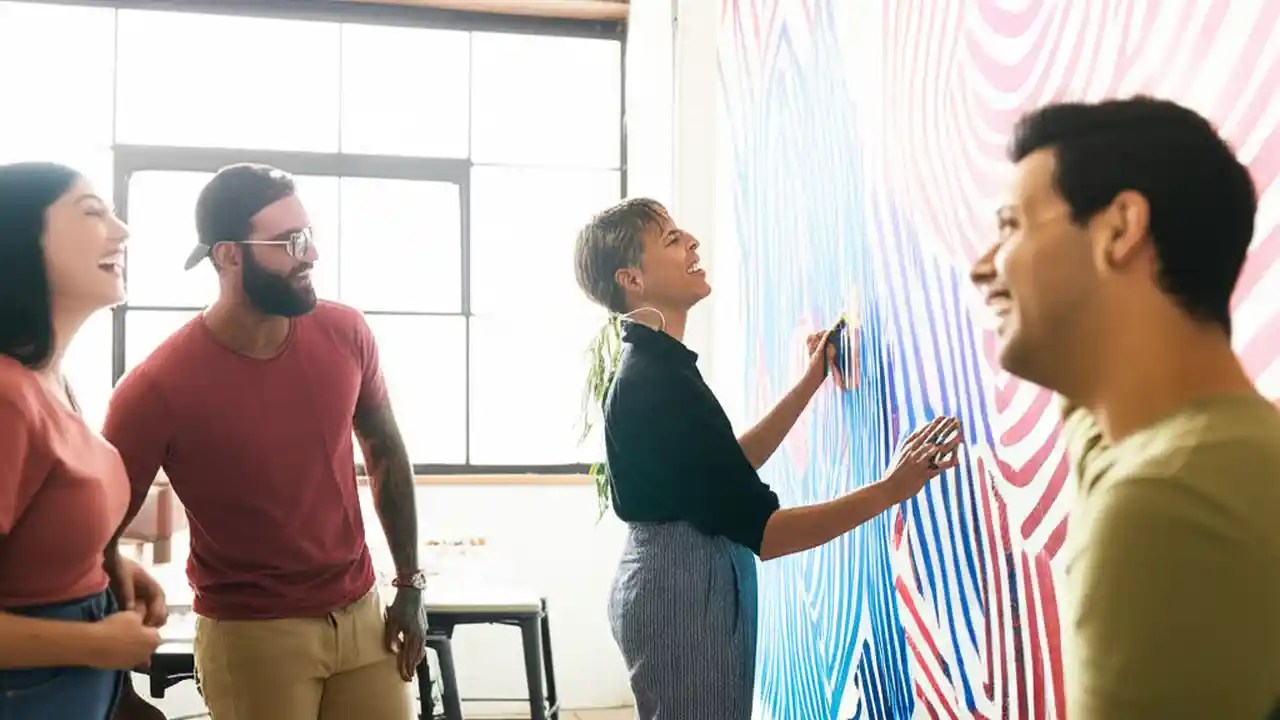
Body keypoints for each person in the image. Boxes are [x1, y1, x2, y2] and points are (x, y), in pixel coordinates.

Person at [573, 198, 963, 719]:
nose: (691, 241)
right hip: (681, 594)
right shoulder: (655, 382)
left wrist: (810, 383)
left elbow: (725, 471)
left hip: (679, 583)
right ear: (632, 280)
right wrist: (891, 489)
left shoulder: (659, 366)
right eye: (669, 239)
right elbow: (768, 533)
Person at [969, 96, 1280, 718]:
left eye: (1010, 226)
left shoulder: (1162, 503)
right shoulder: (1213, 450)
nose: (982, 269)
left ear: (1119, 229)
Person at [102, 163, 426, 720]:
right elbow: (95, 534)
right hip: (252, 636)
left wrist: (411, 584)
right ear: (229, 255)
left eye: (309, 235)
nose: (311, 255)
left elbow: (387, 453)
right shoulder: (156, 387)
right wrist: (114, 684)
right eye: (289, 242)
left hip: (362, 614)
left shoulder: (346, 332)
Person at [0, 161, 167, 719]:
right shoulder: (7, 396)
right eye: (93, 213)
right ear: (19, 237)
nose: (122, 232)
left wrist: (103, 569)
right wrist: (92, 643)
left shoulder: (52, 379)